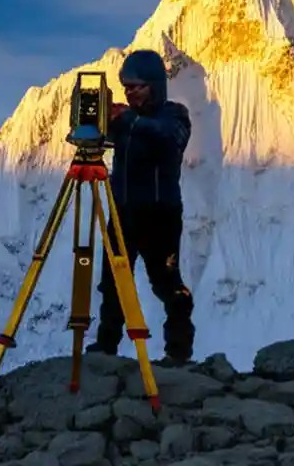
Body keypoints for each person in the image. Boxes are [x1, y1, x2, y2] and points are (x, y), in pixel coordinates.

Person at [87, 48, 195, 366]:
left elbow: (168, 138)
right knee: (112, 281)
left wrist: (128, 120)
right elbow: (106, 135)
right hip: (123, 211)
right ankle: (107, 344)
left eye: (136, 87)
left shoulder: (174, 115)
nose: (130, 93)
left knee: (165, 281)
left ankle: (178, 351)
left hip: (160, 214)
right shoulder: (127, 122)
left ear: (154, 85)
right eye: (126, 88)